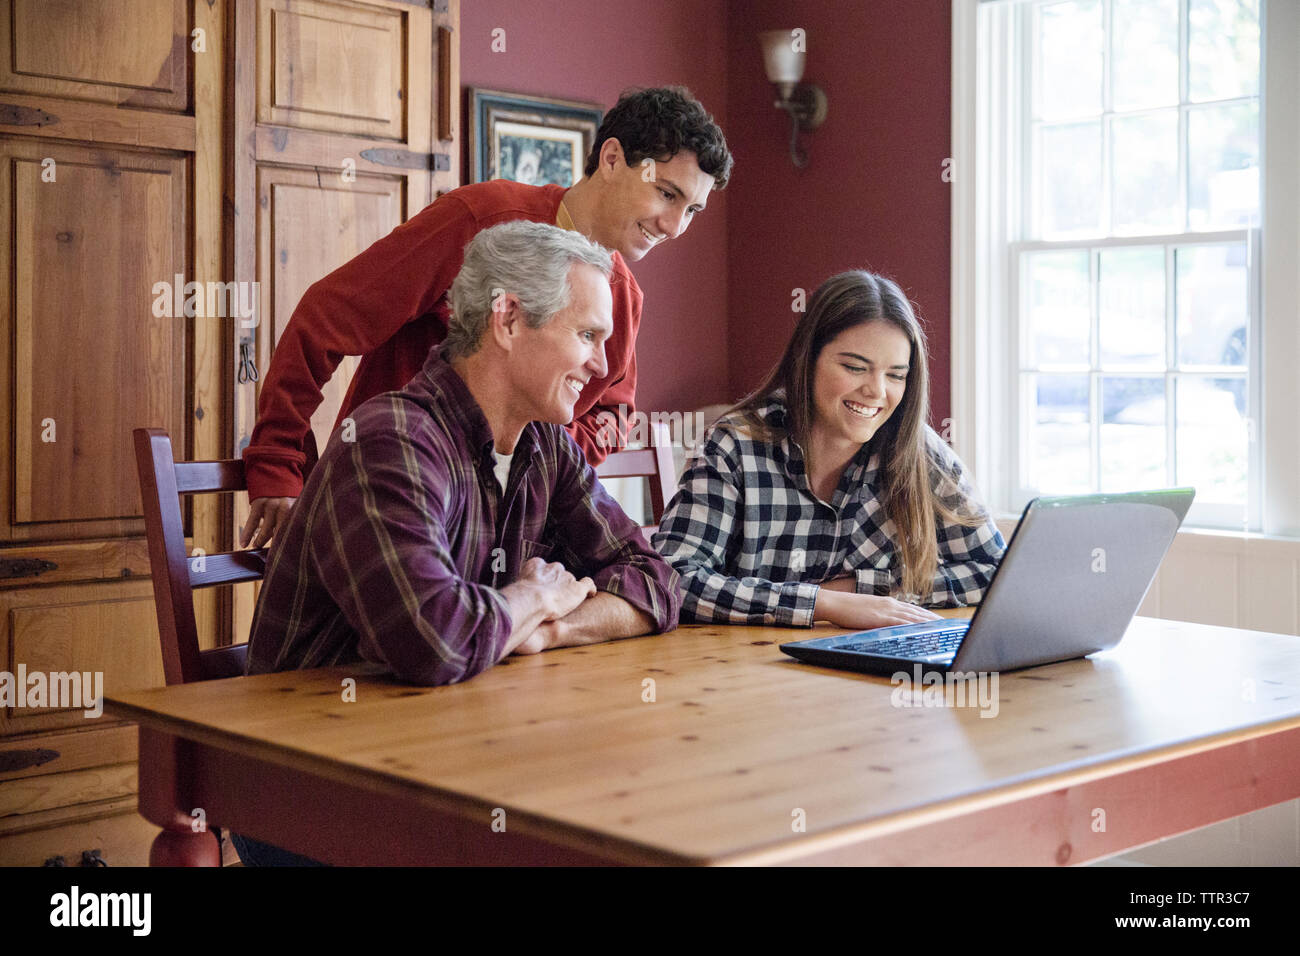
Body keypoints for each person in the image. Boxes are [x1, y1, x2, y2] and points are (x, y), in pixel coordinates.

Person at [233, 223, 680, 865]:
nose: (604, 367)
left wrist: (548, 625)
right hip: (309, 794)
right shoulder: (389, 441)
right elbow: (435, 642)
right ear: (506, 319)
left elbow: (654, 580)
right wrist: (530, 594)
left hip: (451, 765)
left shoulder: (543, 445)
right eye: (586, 336)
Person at [240, 86, 732, 549]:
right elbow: (325, 315)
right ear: (611, 158)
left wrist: (530, 464)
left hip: (501, 541)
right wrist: (279, 460)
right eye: (667, 194)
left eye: (692, 210)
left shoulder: (624, 296)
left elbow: (613, 414)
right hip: (387, 504)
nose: (674, 227)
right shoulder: (478, 220)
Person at [652, 270, 1005, 629]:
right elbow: (671, 579)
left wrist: (862, 589)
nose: (876, 391)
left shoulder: (921, 452)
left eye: (896, 375)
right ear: (808, 359)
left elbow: (995, 571)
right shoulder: (734, 445)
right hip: (740, 672)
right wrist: (823, 603)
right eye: (855, 367)